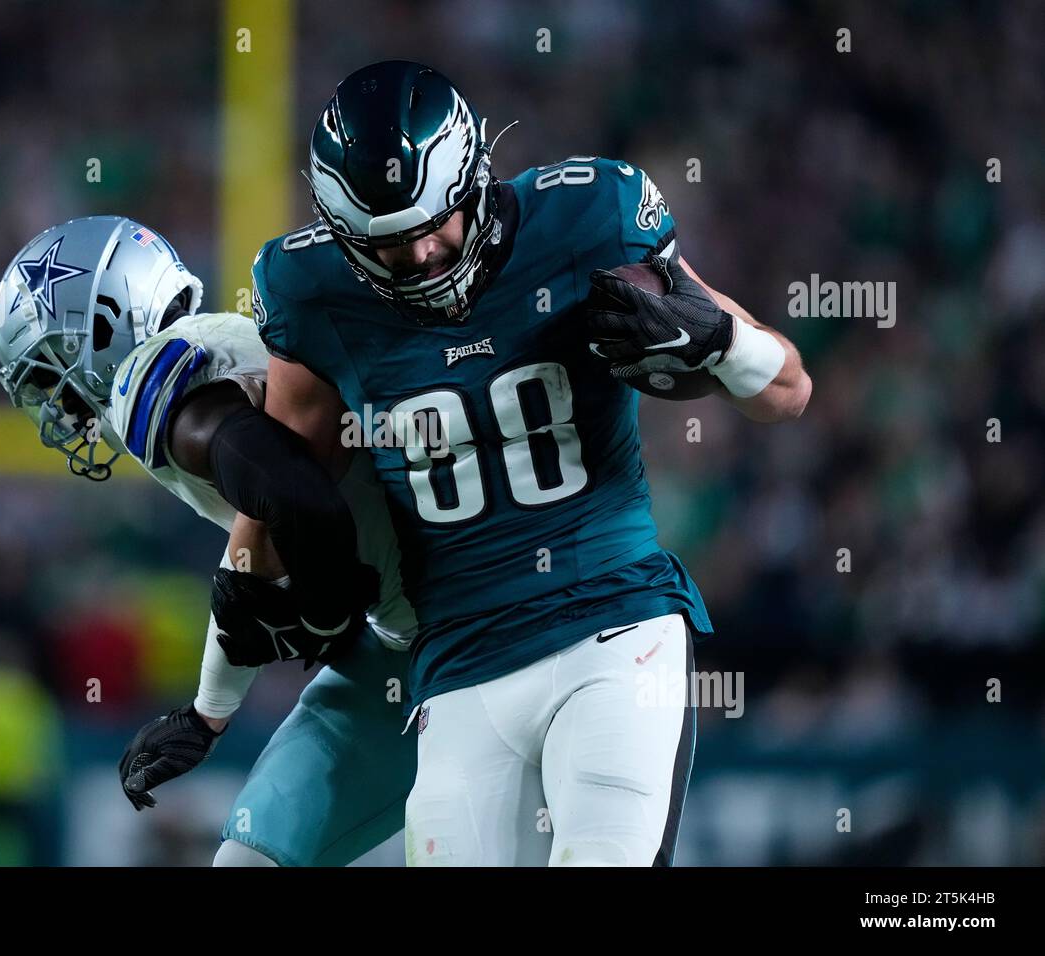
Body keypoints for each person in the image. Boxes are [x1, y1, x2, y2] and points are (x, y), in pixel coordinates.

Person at [250, 61, 811, 865]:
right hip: (457, 666)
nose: (423, 253)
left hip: (612, 627)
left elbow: (788, 389)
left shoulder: (588, 218)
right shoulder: (309, 292)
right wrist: (247, 580)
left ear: (477, 176)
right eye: (389, 242)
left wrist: (721, 342)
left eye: (436, 221)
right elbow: (280, 479)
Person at [0, 215, 418, 866]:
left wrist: (322, 593)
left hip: (460, 624)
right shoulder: (224, 343)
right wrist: (207, 711)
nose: (55, 402)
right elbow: (256, 535)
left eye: (50, 371)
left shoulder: (152, 382)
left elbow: (289, 493)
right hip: (404, 639)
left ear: (105, 324)